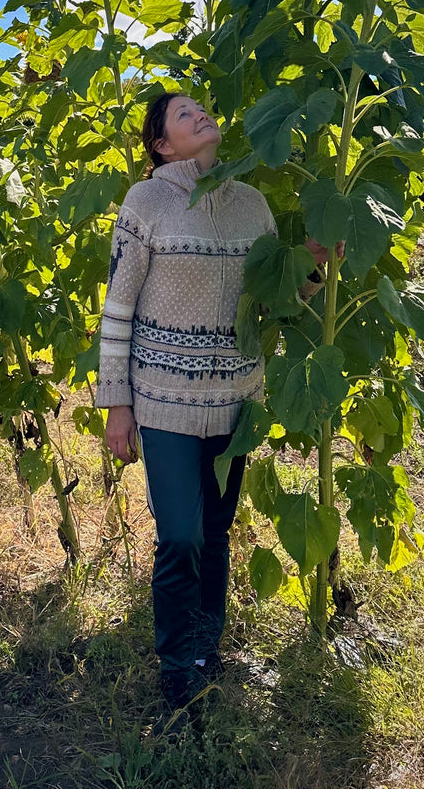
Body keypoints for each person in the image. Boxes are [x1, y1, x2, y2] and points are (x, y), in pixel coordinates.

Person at [96, 90, 335, 719]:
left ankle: (206, 648)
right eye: (184, 113)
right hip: (164, 399)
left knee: (216, 532)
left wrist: (312, 267)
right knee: (179, 536)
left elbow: (272, 305)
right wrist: (116, 402)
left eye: (205, 107)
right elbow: (118, 307)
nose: (202, 113)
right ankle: (176, 666)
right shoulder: (145, 202)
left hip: (236, 401)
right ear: (162, 144)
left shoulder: (250, 204)